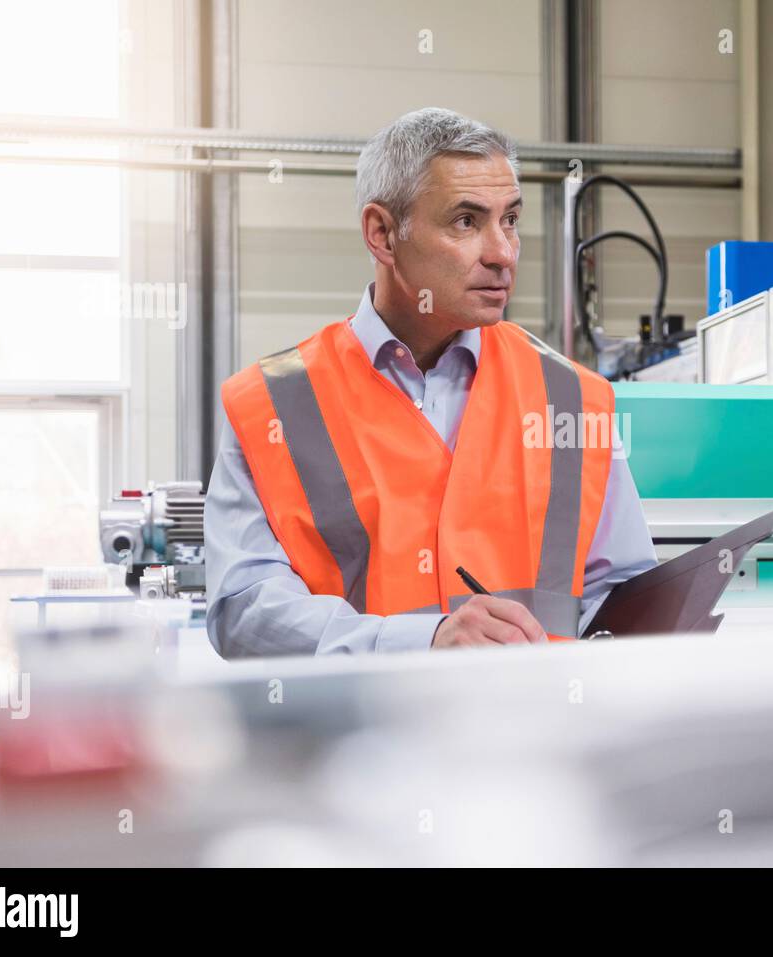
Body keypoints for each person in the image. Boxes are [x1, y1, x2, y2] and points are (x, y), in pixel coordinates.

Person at [204, 107, 657, 656]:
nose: (503, 253)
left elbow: (625, 594)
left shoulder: (573, 400)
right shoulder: (271, 405)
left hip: (538, 732)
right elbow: (245, 609)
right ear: (383, 235)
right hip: (360, 736)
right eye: (466, 222)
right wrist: (422, 642)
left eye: (509, 219)